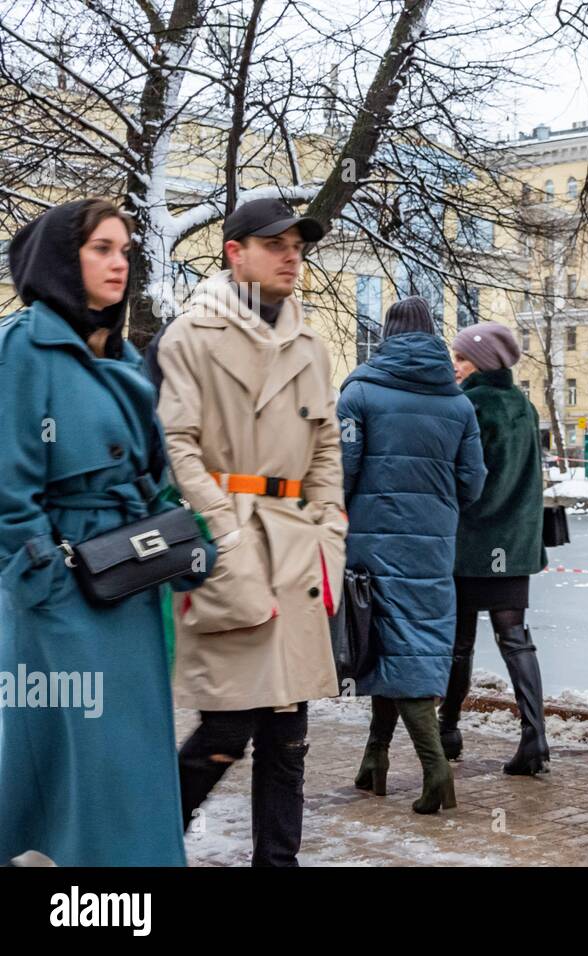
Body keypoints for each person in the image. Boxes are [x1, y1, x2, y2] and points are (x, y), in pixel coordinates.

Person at [0, 199, 214, 866]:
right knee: (102, 770)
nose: (119, 262)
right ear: (63, 260)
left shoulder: (119, 353)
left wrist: (185, 541)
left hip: (131, 585)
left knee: (118, 764)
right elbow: (9, 493)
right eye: (100, 248)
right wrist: (49, 589)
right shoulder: (23, 346)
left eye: (124, 249)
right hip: (68, 599)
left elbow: (153, 476)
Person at [157, 197, 346, 867]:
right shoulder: (191, 335)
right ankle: (144, 847)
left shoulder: (310, 343)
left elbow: (326, 449)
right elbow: (177, 447)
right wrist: (224, 538)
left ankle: (278, 862)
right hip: (230, 539)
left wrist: (330, 530)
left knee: (289, 731)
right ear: (234, 253)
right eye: (274, 244)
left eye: (297, 244)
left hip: (296, 543)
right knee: (228, 725)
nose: (292, 254)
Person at [340, 297, 486, 814]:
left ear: (387, 336)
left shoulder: (359, 393)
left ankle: (435, 771)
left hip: (371, 544)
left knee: (391, 642)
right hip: (434, 544)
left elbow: (341, 473)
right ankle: (374, 760)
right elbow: (473, 482)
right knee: (403, 646)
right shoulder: (458, 402)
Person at [439, 321, 550, 776]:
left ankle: (448, 729)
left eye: (462, 358)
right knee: (516, 640)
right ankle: (535, 738)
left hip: (469, 544)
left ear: (482, 362)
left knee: (459, 643)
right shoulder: (525, 407)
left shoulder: (466, 405)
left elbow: (459, 479)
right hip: (514, 547)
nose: (455, 365)